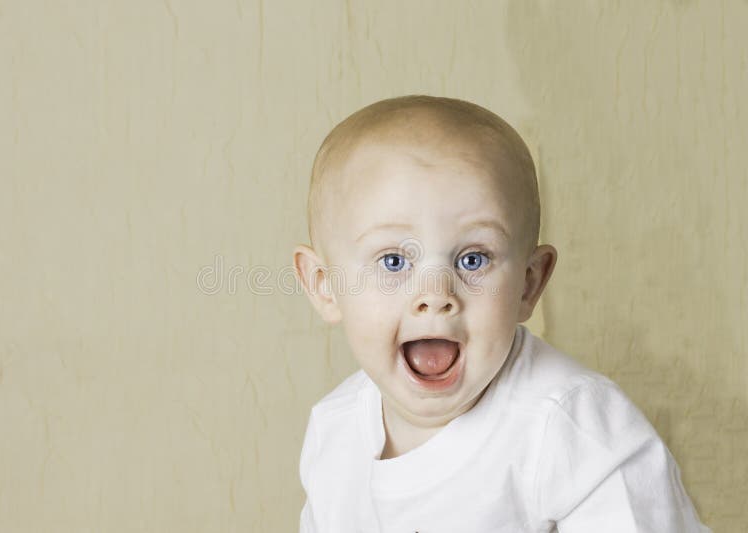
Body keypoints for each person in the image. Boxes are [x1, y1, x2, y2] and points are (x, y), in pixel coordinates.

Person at [292, 95, 710, 532]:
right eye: (394, 261)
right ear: (325, 285)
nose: (435, 295)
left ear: (529, 284)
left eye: (473, 259)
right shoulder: (334, 433)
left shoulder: (572, 429)